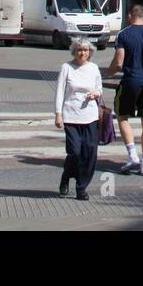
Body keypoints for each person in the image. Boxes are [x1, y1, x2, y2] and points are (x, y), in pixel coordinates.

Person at [103, 4, 143, 175]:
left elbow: (118, 62)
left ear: (131, 15)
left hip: (130, 81)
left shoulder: (123, 34)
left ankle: (132, 155)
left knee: (122, 116)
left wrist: (105, 73)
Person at [55, 37, 103, 200]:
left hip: (90, 116)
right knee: (75, 152)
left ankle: (81, 187)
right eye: (79, 50)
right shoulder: (66, 67)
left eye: (85, 50)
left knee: (90, 152)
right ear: (74, 51)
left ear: (90, 52)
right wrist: (58, 114)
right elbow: (60, 92)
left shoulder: (94, 68)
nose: (82, 53)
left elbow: (99, 89)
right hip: (71, 115)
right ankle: (66, 175)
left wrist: (95, 93)